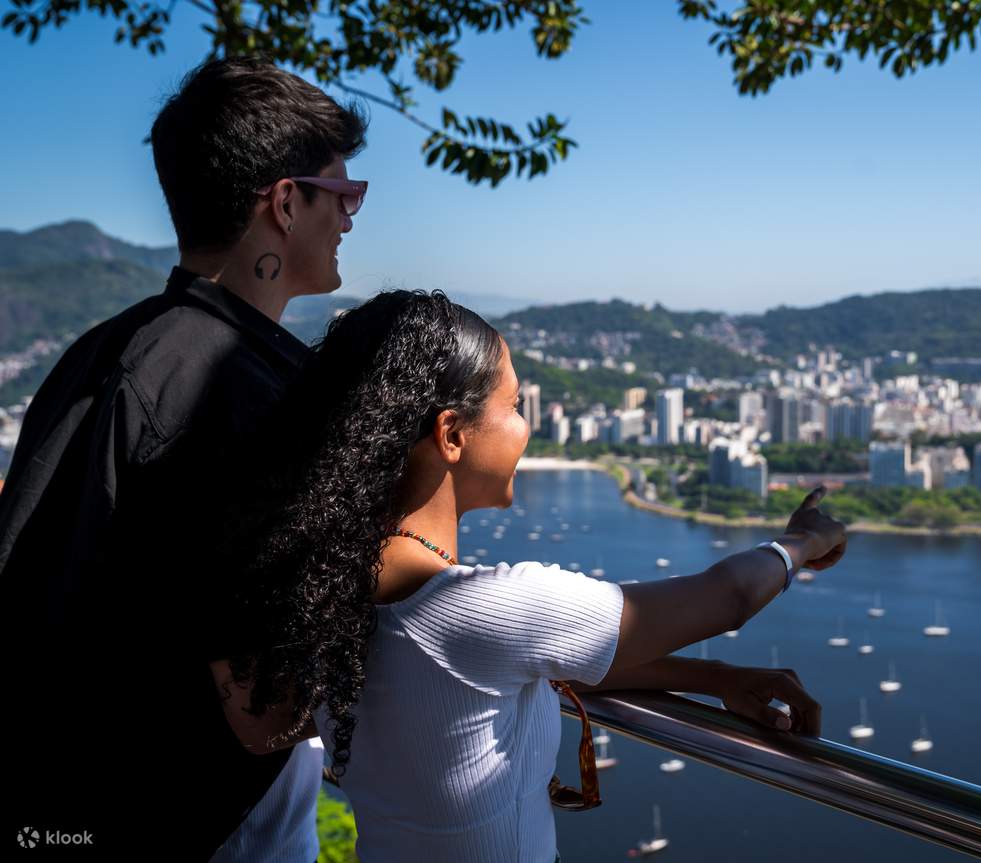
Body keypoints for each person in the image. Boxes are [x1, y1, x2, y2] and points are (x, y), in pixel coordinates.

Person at [222, 289, 848, 862]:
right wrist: (803, 541)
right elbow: (729, 597)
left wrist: (713, 679)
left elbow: (505, 672)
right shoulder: (481, 607)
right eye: (514, 405)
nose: (528, 426)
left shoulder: (327, 598)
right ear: (452, 434)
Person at [0, 57, 367, 854]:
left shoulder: (99, 350)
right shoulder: (245, 394)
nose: (350, 218)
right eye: (344, 195)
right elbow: (261, 710)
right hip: (204, 824)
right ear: (284, 202)